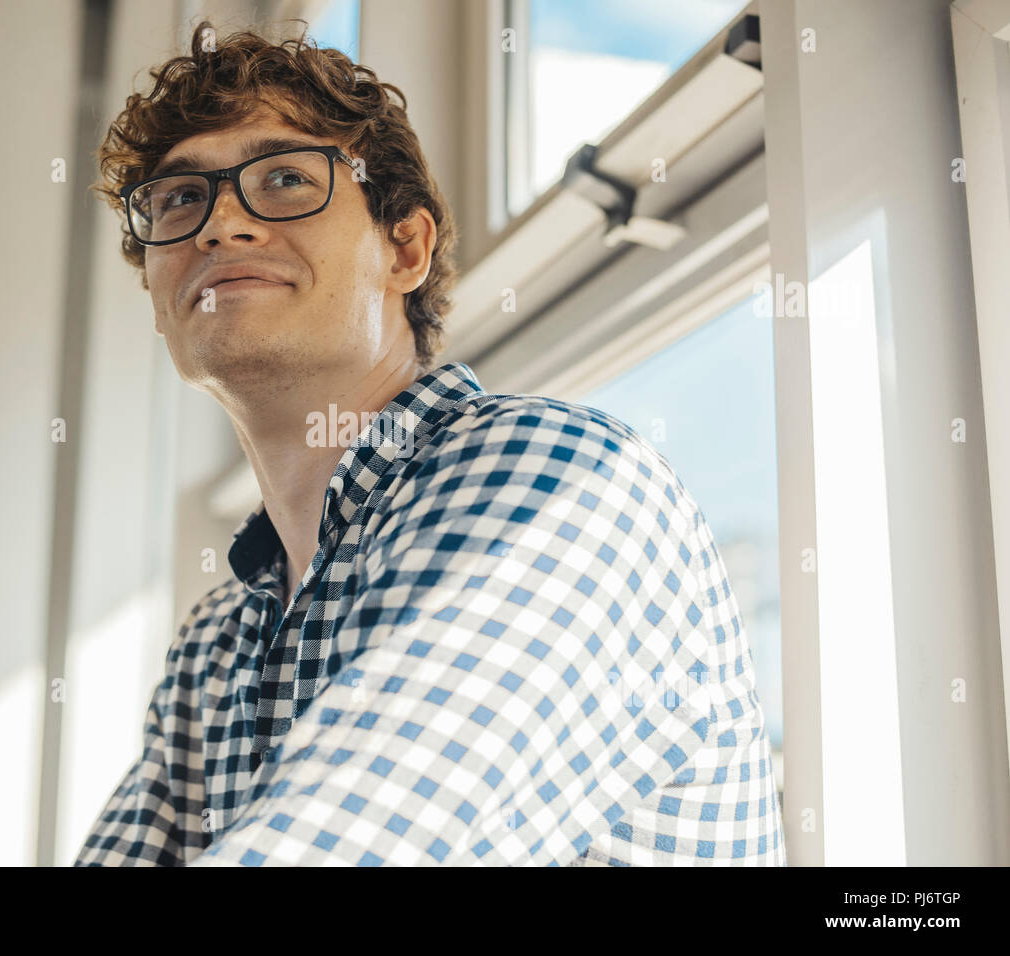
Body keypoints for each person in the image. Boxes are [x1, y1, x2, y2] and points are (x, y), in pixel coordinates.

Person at [75, 20, 785, 866]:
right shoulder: (217, 641)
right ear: (156, 289)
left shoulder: (555, 480)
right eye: (179, 198)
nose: (220, 225)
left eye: (286, 178)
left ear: (404, 247)